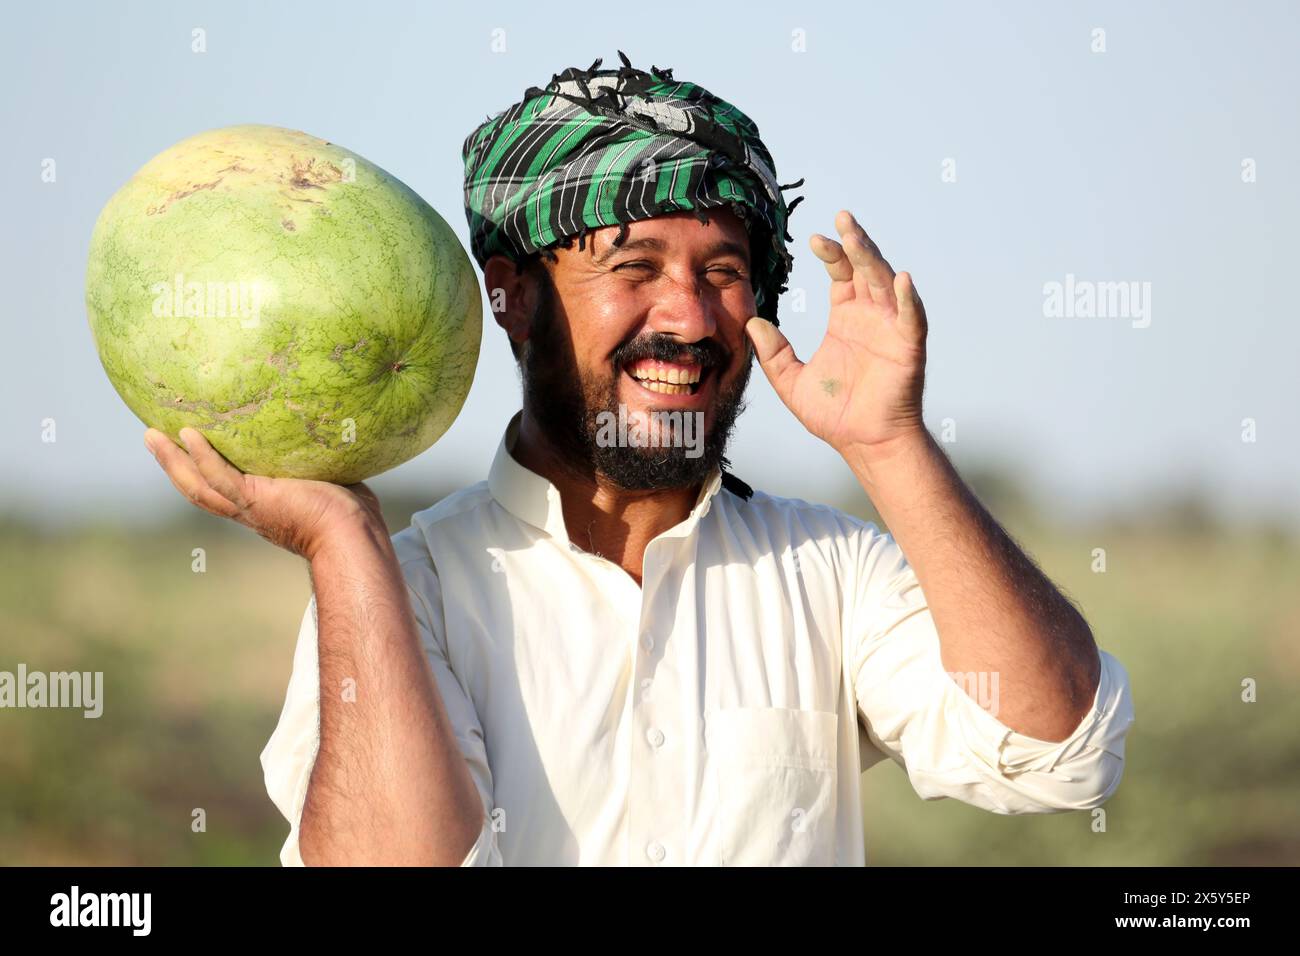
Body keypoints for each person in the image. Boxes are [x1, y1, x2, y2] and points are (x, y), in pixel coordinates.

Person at [145, 54, 1133, 866]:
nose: (690, 317)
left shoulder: (828, 572)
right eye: (634, 266)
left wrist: (890, 444)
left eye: (724, 272)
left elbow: (1056, 752)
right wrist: (344, 538)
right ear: (512, 294)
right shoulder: (402, 595)